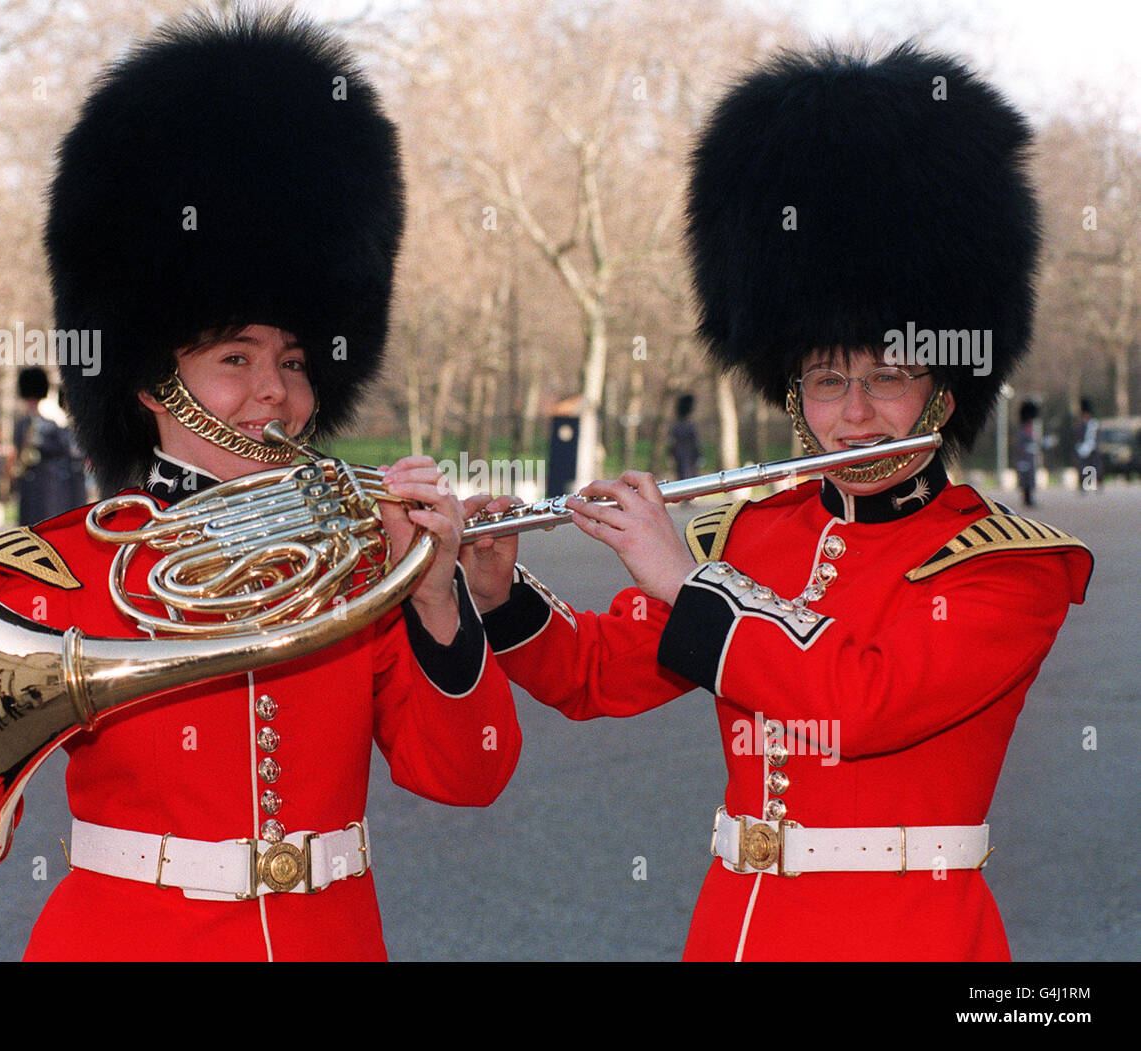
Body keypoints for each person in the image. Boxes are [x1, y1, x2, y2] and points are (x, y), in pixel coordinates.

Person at [0, 11, 520, 962]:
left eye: (296, 361)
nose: (276, 390)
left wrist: (437, 595)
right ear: (149, 378)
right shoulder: (60, 566)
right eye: (236, 356)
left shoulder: (359, 567)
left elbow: (469, 776)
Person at [462, 45, 1092, 961]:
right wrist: (498, 590)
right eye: (829, 381)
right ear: (792, 395)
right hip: (735, 933)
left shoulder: (1011, 563)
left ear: (944, 394)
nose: (858, 414)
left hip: (910, 936)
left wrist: (684, 576)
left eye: (890, 376)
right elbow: (595, 674)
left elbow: (861, 701)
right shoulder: (753, 533)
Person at [12, 367, 80, 525]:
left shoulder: (50, 424)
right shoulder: (22, 424)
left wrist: (41, 443)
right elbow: (19, 449)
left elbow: (60, 450)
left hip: (45, 482)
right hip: (27, 481)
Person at [668, 393, 700, 480]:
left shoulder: (676, 426)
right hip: (686, 455)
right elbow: (696, 442)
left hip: (681, 455)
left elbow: (672, 442)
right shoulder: (689, 426)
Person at [1074, 398, 1101, 490]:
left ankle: (1095, 482)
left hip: (1092, 448)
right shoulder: (1079, 424)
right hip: (1082, 448)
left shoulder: (1093, 423)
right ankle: (1084, 483)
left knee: (1094, 465)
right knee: (1083, 466)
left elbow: (1096, 437)